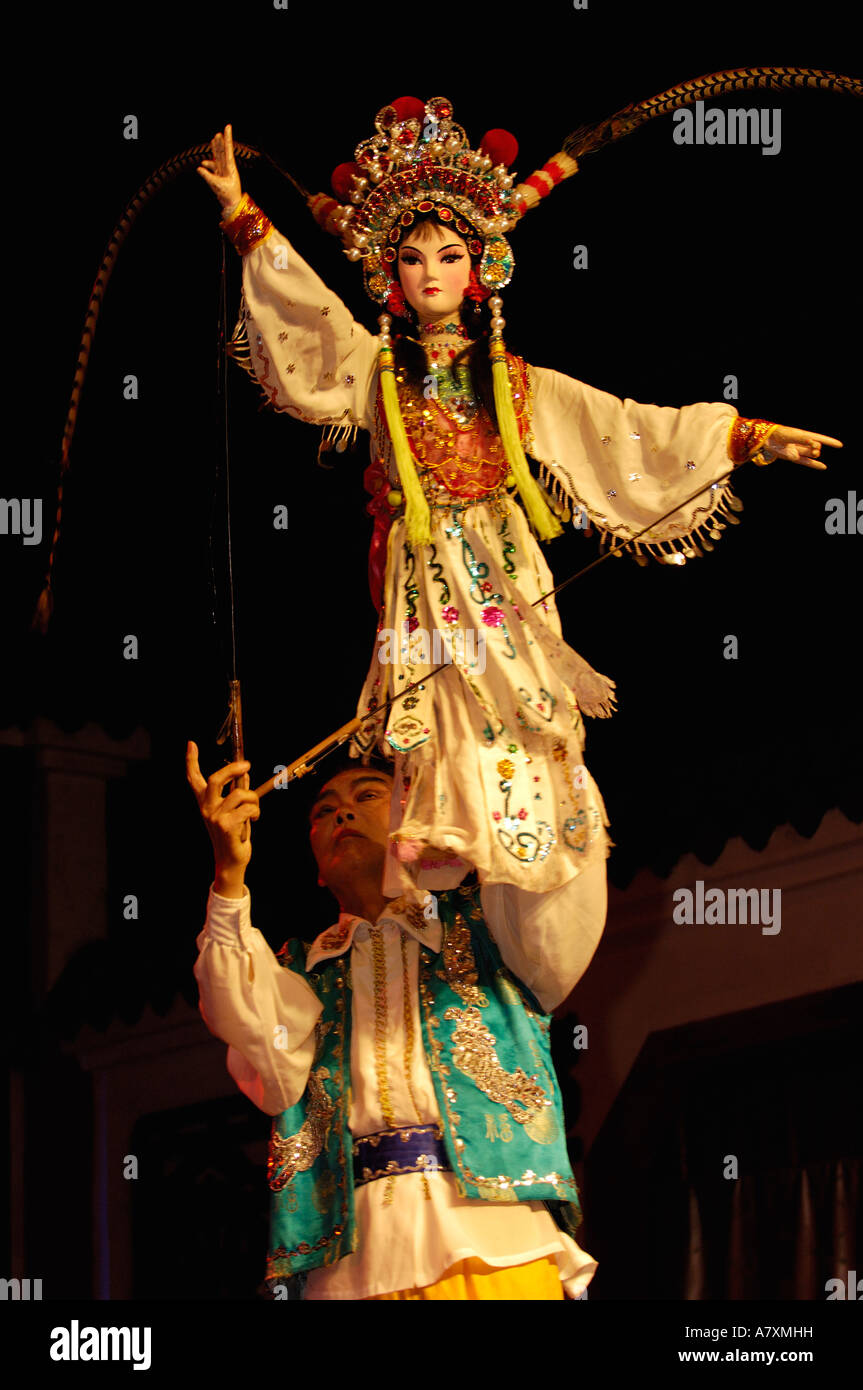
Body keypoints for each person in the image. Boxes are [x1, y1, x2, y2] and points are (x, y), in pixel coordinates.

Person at [197, 102, 840, 913]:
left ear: (481, 268)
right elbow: (309, 317)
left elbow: (619, 426)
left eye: (449, 255)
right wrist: (243, 214)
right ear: (388, 275)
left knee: (517, 693)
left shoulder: (516, 381)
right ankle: (440, 819)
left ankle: (537, 815)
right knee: (434, 692)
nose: (430, 273)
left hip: (501, 556)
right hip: (417, 561)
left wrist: (744, 437)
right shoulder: (376, 370)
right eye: (411, 258)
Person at [187, 742, 607, 1300]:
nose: (341, 813)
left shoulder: (492, 930)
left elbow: (551, 869)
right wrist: (229, 878)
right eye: (322, 811)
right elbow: (244, 1024)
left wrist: (511, 736)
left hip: (494, 1237)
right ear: (313, 866)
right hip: (351, 1263)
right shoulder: (300, 971)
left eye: (367, 796)